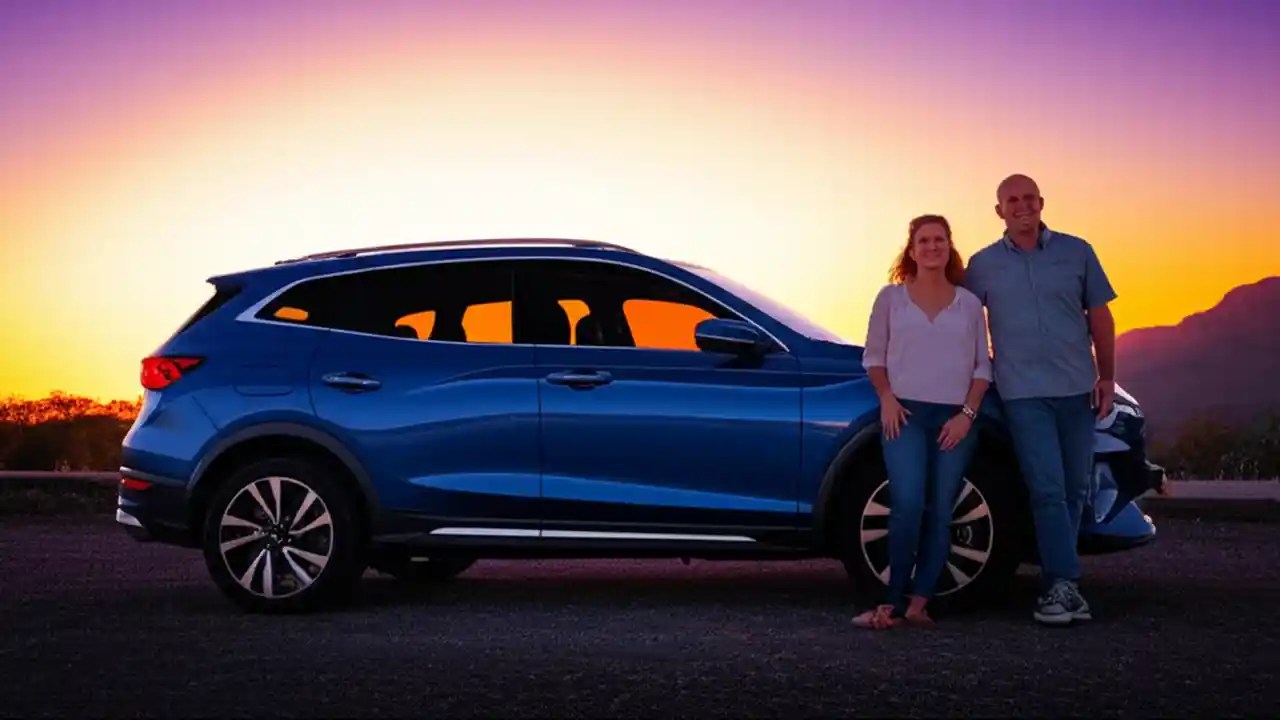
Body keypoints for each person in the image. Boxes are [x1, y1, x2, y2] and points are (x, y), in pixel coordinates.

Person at [963, 173, 1117, 626]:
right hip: (1022, 393)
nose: (1021, 206)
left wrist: (1108, 377)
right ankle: (1063, 583)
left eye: (1029, 198)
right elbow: (965, 327)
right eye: (1012, 200)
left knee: (1074, 489)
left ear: (1042, 203)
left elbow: (1101, 316)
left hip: (1077, 389)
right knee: (1047, 488)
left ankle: (1059, 584)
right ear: (999, 211)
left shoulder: (1078, 251)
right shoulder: (983, 265)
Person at [853, 214, 992, 629]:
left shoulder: (969, 304)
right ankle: (891, 603)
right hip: (905, 415)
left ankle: (920, 603)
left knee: (941, 510)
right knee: (908, 504)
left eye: (941, 240)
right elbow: (873, 357)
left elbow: (982, 368)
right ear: (911, 250)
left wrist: (966, 416)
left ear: (950, 248)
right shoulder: (891, 299)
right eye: (924, 240)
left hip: (955, 419)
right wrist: (887, 399)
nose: (933, 247)